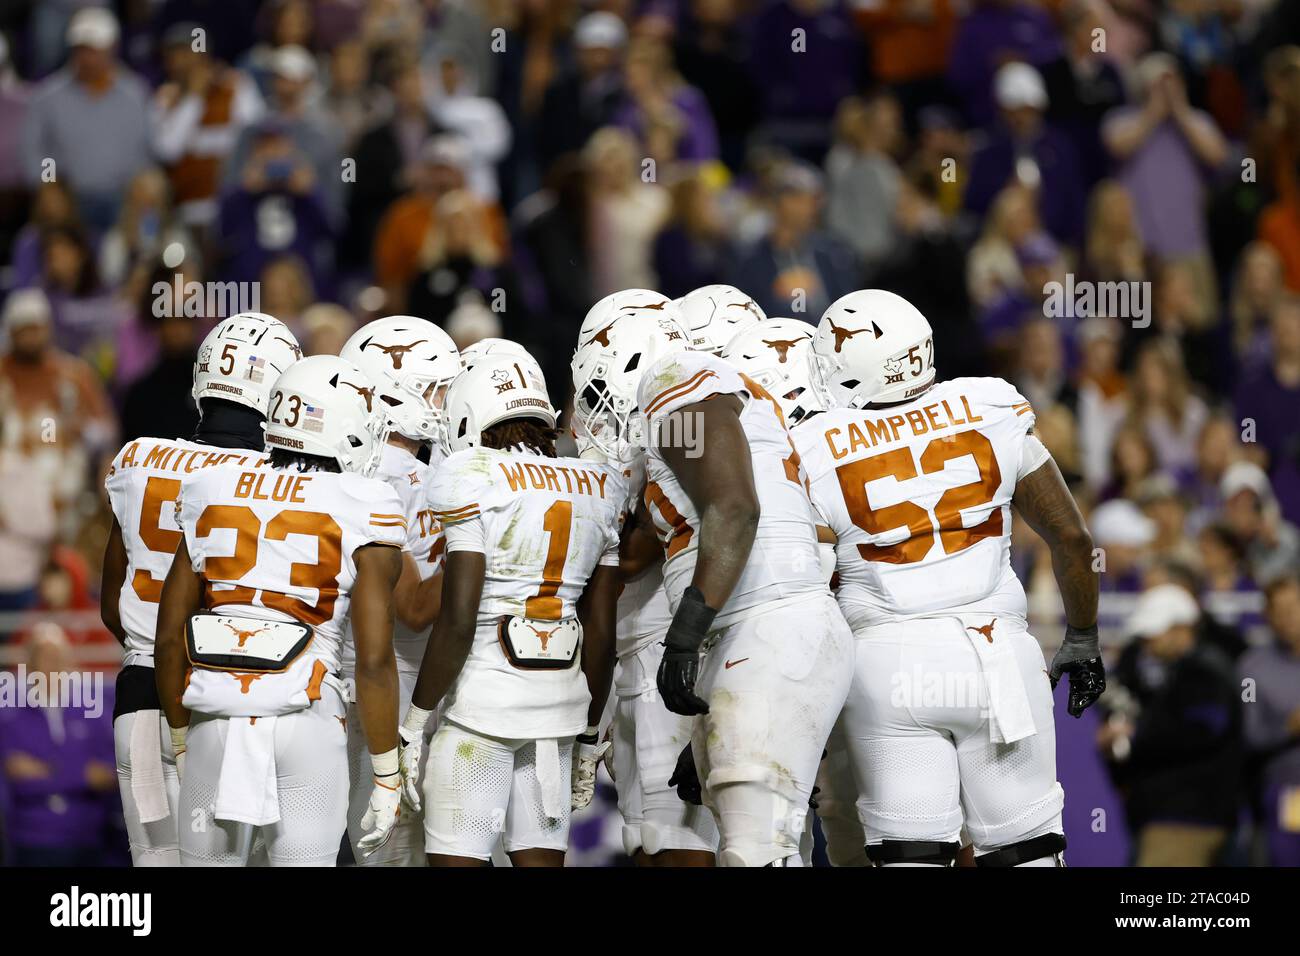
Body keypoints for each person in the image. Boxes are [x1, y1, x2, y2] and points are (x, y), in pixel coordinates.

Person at [799, 289, 1103, 866]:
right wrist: (1084, 637)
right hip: (995, 655)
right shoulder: (988, 406)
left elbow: (809, 590)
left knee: (912, 856)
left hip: (886, 664)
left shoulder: (815, 446)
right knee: (1026, 852)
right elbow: (1072, 537)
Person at [580, 306, 854, 867]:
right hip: (768, 630)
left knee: (757, 853)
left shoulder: (674, 381)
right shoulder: (721, 398)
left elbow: (734, 508)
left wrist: (683, 637)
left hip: (765, 629)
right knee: (768, 845)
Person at [153, 354, 405, 866]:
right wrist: (386, 771)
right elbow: (375, 658)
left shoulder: (212, 486)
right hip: (308, 713)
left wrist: (180, 735)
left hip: (216, 713)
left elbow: (167, 636)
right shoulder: (366, 500)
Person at [396, 353, 623, 867]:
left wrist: (414, 722)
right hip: (559, 713)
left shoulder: (470, 474)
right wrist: (589, 732)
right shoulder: (602, 484)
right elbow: (601, 631)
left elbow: (458, 615)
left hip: (482, 708)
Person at [101, 312, 301, 865]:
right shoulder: (277, 477)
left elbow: (109, 603)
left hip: (141, 689)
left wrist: (149, 643)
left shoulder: (138, 458)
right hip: (231, 694)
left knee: (156, 862)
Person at [572, 295, 718, 866]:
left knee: (679, 837)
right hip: (632, 642)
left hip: (671, 640)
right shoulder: (640, 420)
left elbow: (629, 552)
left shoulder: (686, 420)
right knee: (644, 837)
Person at [337, 315, 462, 865]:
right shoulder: (388, 473)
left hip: (389, 678)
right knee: (401, 847)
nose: (445, 400)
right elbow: (411, 608)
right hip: (388, 681)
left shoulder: (401, 467)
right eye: (435, 388)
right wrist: (488, 556)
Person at [1104, 584, 1242, 866]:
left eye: (1155, 634)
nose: (1147, 643)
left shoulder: (1204, 672)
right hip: (1176, 817)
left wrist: (1134, 737)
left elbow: (1200, 732)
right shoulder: (1181, 671)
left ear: (1182, 628)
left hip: (1185, 821)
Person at [19, 8, 151, 230]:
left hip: (124, 197)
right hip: (69, 198)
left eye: (94, 50)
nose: (87, 58)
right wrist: (49, 186)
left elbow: (145, 151)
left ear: (112, 48)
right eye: (81, 50)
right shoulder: (48, 96)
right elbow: (37, 150)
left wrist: (140, 188)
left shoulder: (135, 94)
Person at [1238, 575, 1300, 866]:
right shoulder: (1253, 668)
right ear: (1268, 616)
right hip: (1289, 791)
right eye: (1280, 610)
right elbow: (1249, 736)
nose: (1289, 617)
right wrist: (1290, 727)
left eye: (1295, 607)